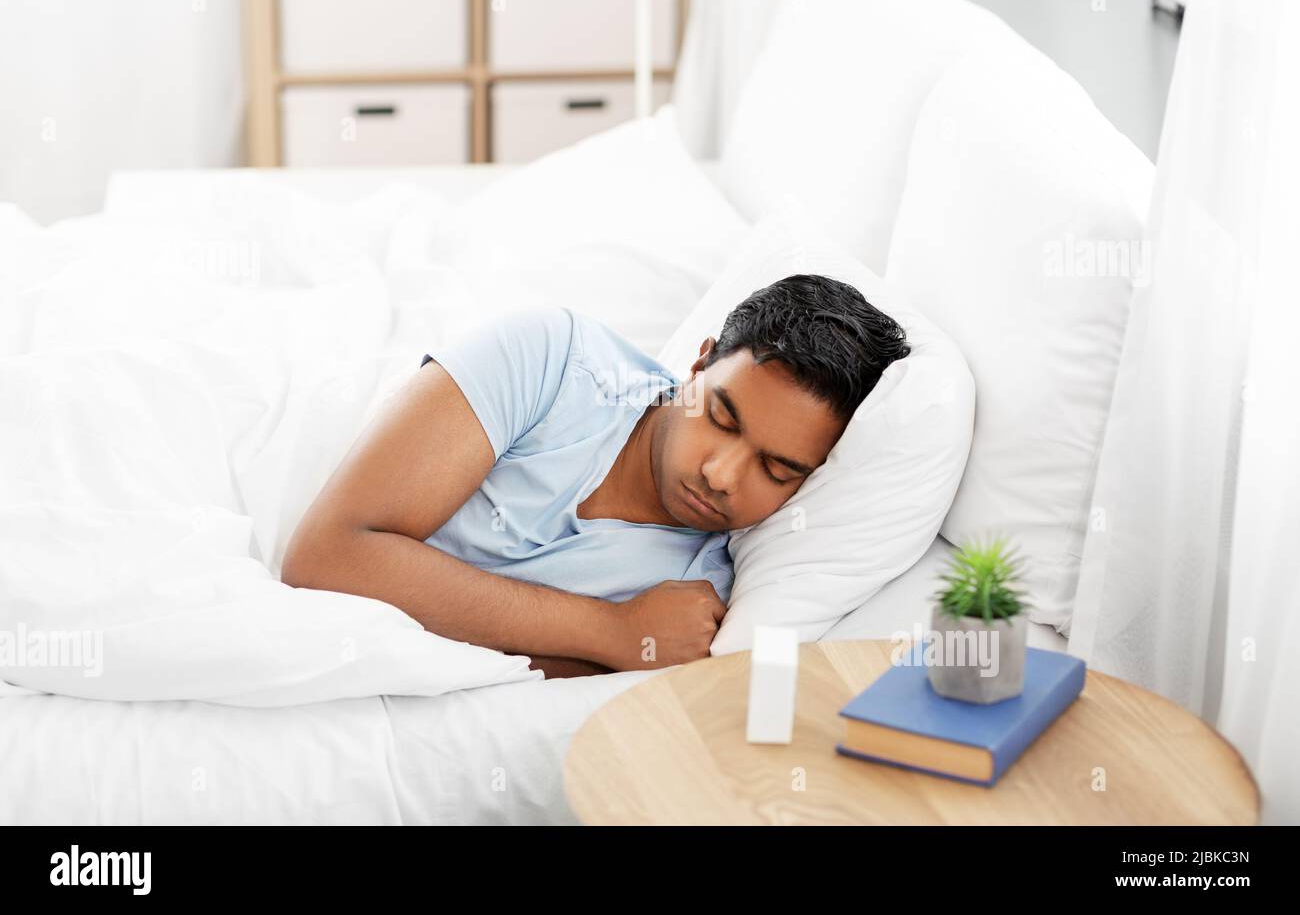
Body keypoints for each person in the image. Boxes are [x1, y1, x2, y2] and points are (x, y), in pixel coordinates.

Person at [281, 274, 910, 678]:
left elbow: (485, 687)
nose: (721, 476)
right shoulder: (552, 360)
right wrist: (611, 629)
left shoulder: (694, 602)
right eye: (720, 417)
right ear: (699, 363)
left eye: (777, 470)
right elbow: (324, 557)